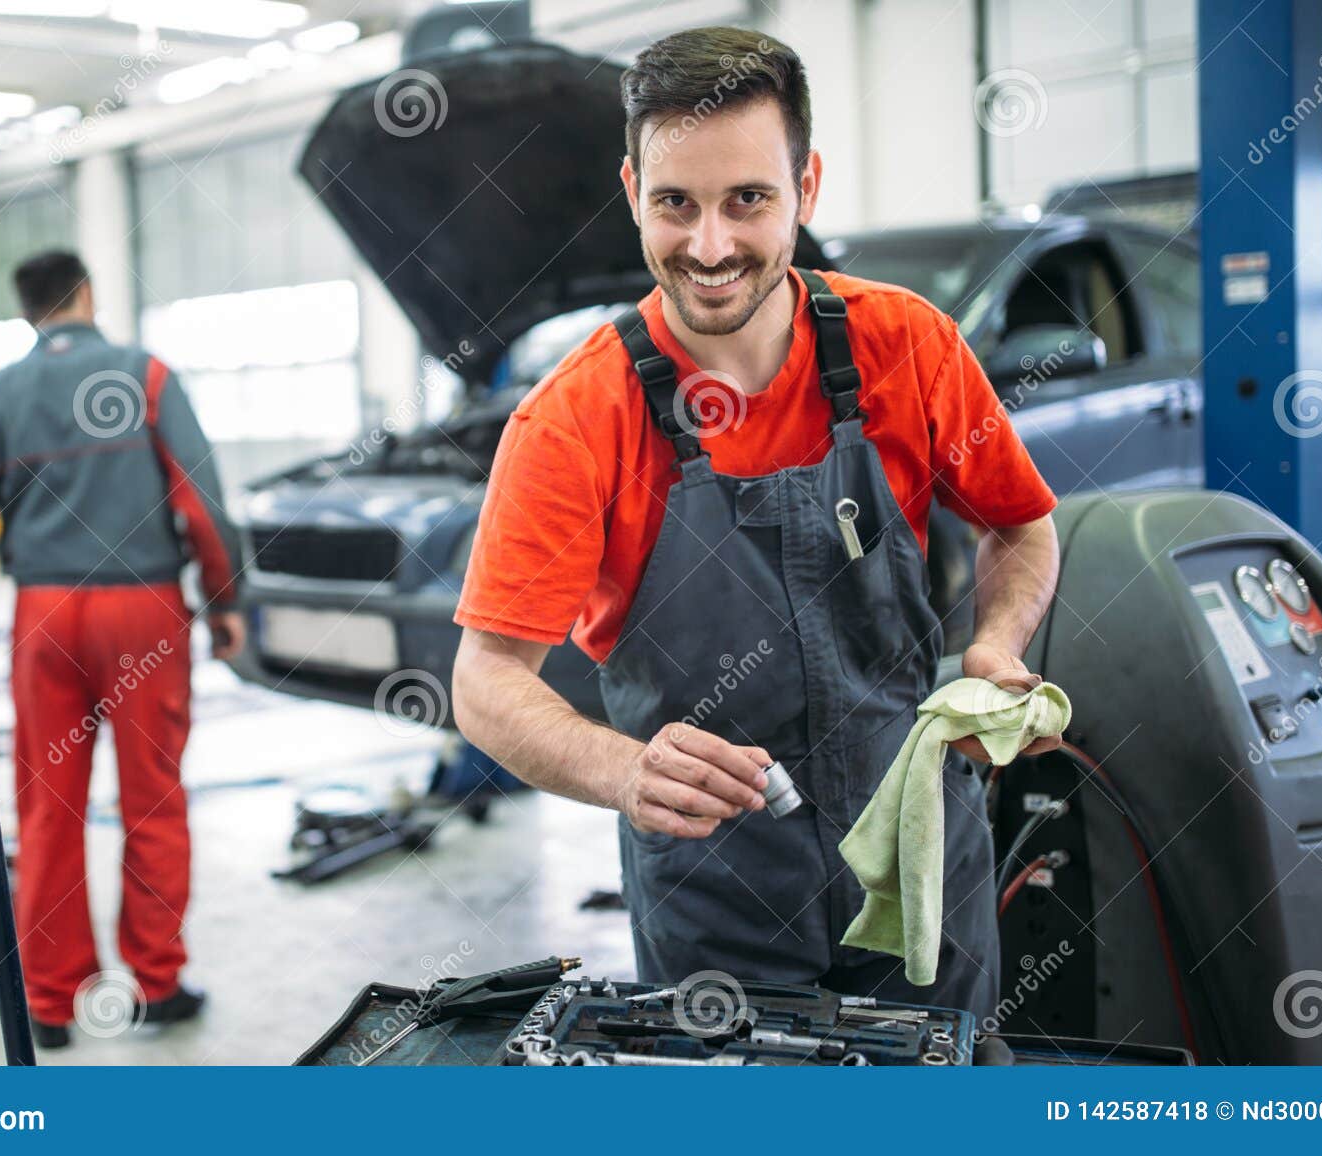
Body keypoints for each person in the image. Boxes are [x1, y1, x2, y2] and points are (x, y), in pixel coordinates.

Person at [450, 27, 1063, 1021]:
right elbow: (484, 680)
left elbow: (1021, 524)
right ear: (631, 193)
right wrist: (624, 768)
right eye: (674, 204)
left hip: (918, 852)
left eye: (748, 199)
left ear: (805, 188)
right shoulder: (573, 418)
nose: (709, 247)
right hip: (713, 894)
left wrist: (995, 645)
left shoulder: (907, 345)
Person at [0, 250, 245, 1049]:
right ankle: (158, 985)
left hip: (44, 616)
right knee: (153, 800)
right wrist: (225, 599)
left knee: (48, 808)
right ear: (87, 294)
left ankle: (51, 1002)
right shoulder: (147, 376)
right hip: (145, 613)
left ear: (25, 309)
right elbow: (202, 504)